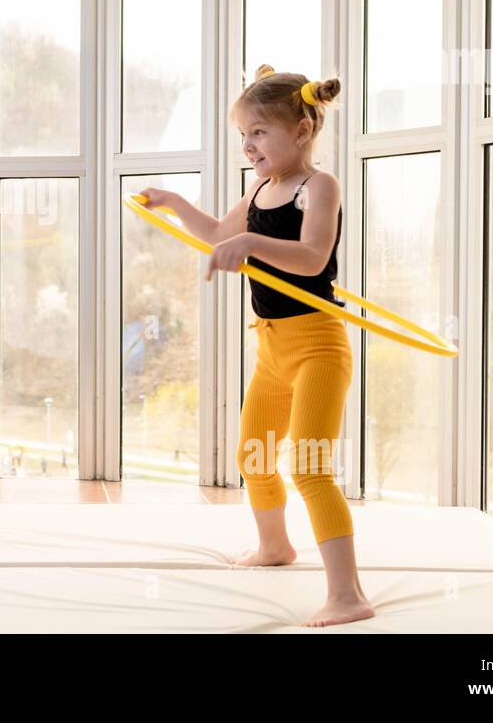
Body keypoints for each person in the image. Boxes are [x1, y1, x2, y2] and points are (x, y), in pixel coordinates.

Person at [137, 63, 373, 628]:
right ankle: (274, 546)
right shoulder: (262, 187)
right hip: (272, 346)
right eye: (244, 134)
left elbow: (313, 258)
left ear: (302, 131)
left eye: (259, 132)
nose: (248, 145)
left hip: (317, 343)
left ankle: (348, 593)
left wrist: (250, 241)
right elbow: (220, 235)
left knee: (311, 466)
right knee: (253, 456)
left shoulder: (320, 187)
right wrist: (173, 202)